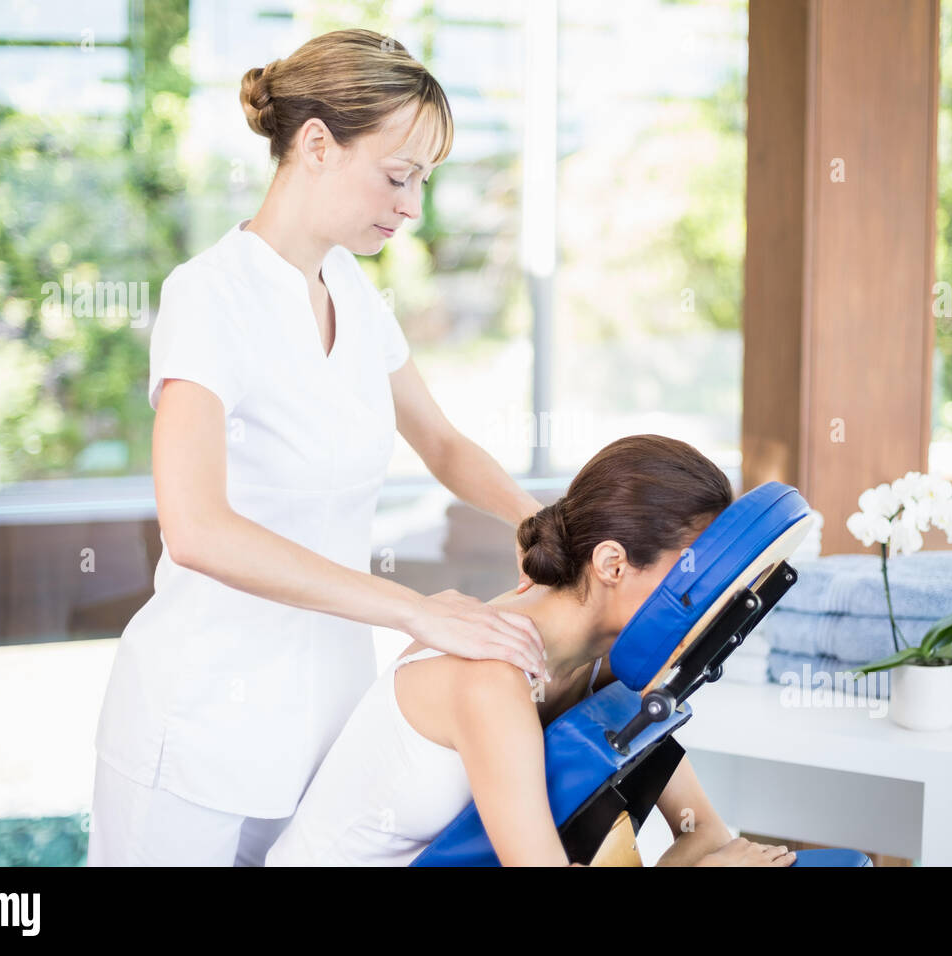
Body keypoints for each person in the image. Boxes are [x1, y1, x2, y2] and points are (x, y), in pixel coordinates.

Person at [89, 29, 551, 867]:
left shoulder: (352, 292)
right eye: (398, 175)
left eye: (422, 183)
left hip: (322, 718)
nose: (412, 207)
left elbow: (442, 442)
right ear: (314, 145)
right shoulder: (209, 296)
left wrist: (540, 525)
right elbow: (195, 528)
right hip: (196, 721)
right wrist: (416, 611)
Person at [265, 435, 798, 867]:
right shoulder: (490, 678)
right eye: (696, 583)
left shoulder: (609, 664)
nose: (706, 609)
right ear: (612, 563)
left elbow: (704, 829)